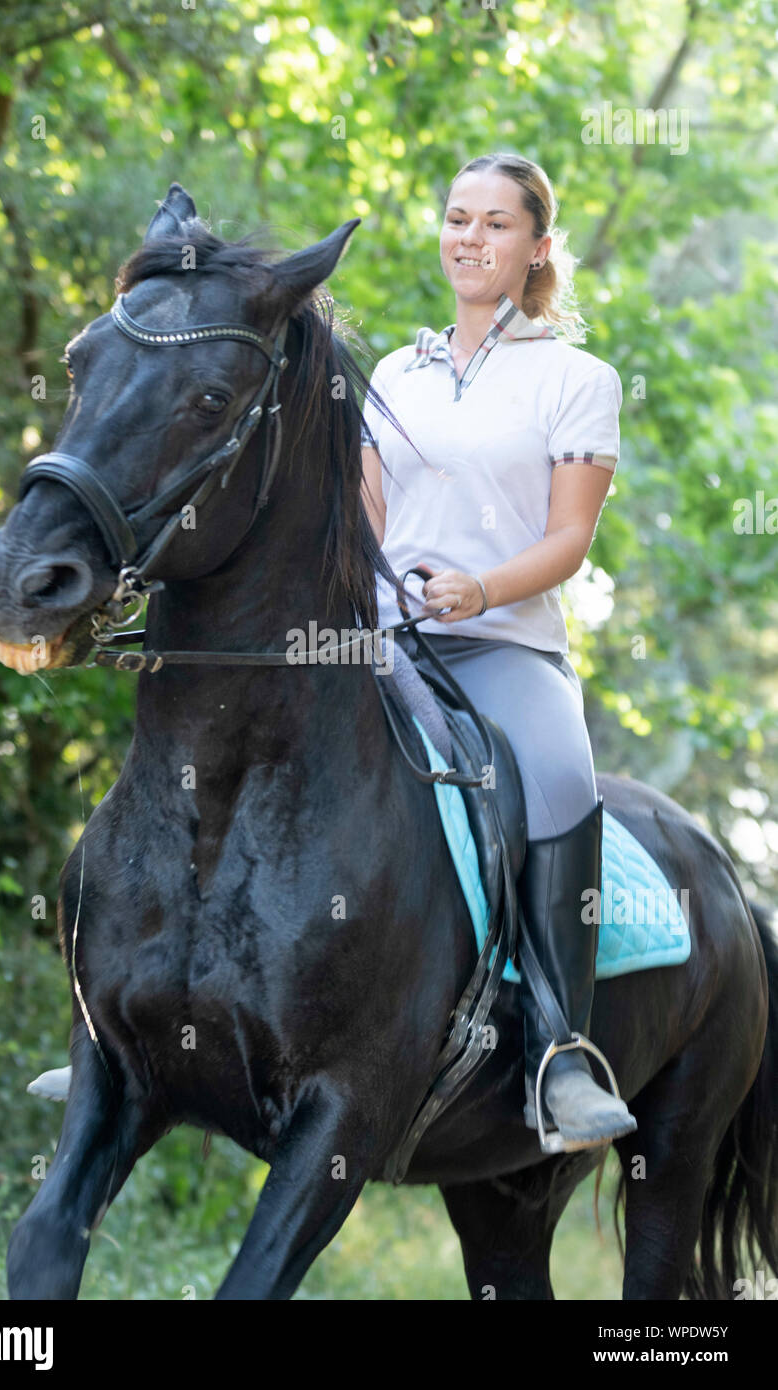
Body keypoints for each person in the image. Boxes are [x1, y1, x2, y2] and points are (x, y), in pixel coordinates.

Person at [360, 151, 637, 1151]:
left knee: (562, 776)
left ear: (536, 249)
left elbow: (569, 540)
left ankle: (561, 1053)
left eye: (495, 224)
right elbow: (368, 516)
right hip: (383, 645)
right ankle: (127, 1038)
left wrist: (481, 588)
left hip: (502, 645)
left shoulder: (577, 378)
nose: (469, 238)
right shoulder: (395, 371)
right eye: (456, 217)